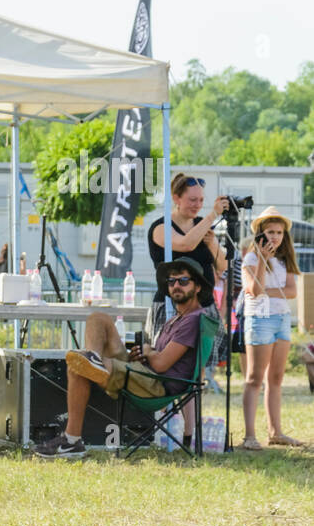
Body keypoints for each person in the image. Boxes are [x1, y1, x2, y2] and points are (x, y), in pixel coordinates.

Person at [34, 258, 207, 459]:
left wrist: (148, 352)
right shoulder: (177, 318)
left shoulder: (193, 320)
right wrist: (143, 354)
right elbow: (158, 357)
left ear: (198, 287)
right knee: (98, 318)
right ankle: (95, 360)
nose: (176, 285)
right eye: (171, 281)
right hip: (144, 373)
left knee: (77, 366)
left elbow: (160, 364)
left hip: (157, 385)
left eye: (184, 281)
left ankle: (72, 440)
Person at [239, 208, 302, 449]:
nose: (275, 237)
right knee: (254, 378)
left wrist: (268, 291)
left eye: (279, 232)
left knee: (276, 378)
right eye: (270, 232)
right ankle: (250, 435)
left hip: (281, 319)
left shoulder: (285, 259)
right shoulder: (251, 259)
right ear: (260, 234)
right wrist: (262, 261)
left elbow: (292, 291)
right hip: (260, 319)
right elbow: (254, 291)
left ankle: (276, 432)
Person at [147, 174, 226, 332]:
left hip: (205, 305)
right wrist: (213, 215)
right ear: (176, 199)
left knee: (209, 356)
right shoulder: (161, 227)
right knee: (164, 354)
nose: (197, 205)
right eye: (192, 200)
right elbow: (186, 244)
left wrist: (212, 244)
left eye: (201, 200)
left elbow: (222, 265)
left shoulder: (202, 225)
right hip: (172, 305)